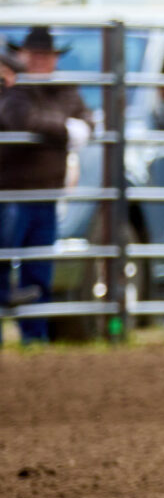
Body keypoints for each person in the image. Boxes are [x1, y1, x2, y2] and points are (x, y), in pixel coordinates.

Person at [0, 27, 91, 344]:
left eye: (45, 56)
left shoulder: (61, 88)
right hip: (10, 192)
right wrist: (66, 130)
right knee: (3, 263)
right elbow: (22, 120)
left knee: (38, 269)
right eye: (34, 55)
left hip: (46, 194)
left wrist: (56, 128)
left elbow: (86, 120)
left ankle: (35, 338)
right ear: (21, 55)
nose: (40, 61)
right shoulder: (12, 88)